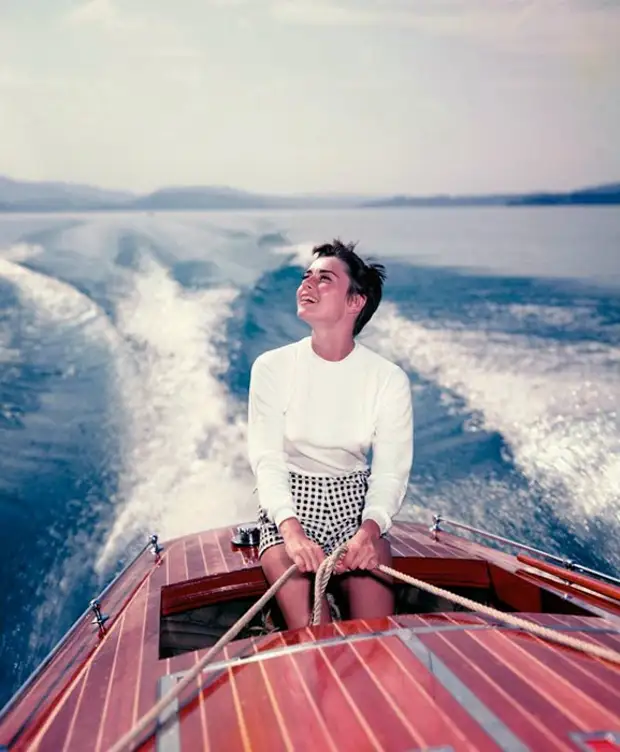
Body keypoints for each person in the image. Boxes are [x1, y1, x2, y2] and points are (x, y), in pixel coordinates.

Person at [247, 239, 413, 629]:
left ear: (356, 302)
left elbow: (390, 473)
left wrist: (369, 531)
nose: (307, 284)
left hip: (354, 509)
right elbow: (267, 459)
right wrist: (291, 532)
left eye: (325, 279)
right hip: (289, 506)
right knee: (310, 632)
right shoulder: (272, 367)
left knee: (375, 635)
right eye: (306, 276)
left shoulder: (387, 379)